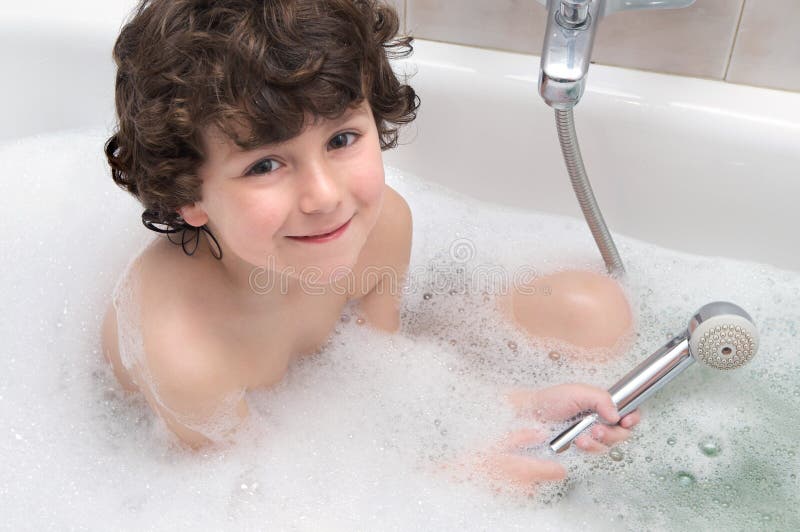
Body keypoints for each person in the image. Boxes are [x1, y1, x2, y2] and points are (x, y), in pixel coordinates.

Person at [99, 0, 639, 491]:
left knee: (596, 312)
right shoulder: (185, 353)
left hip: (304, 408)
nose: (325, 196)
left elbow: (381, 373)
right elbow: (261, 499)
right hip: (225, 463)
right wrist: (457, 483)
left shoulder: (380, 230)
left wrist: (517, 410)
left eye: (341, 139)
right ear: (189, 195)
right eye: (265, 165)